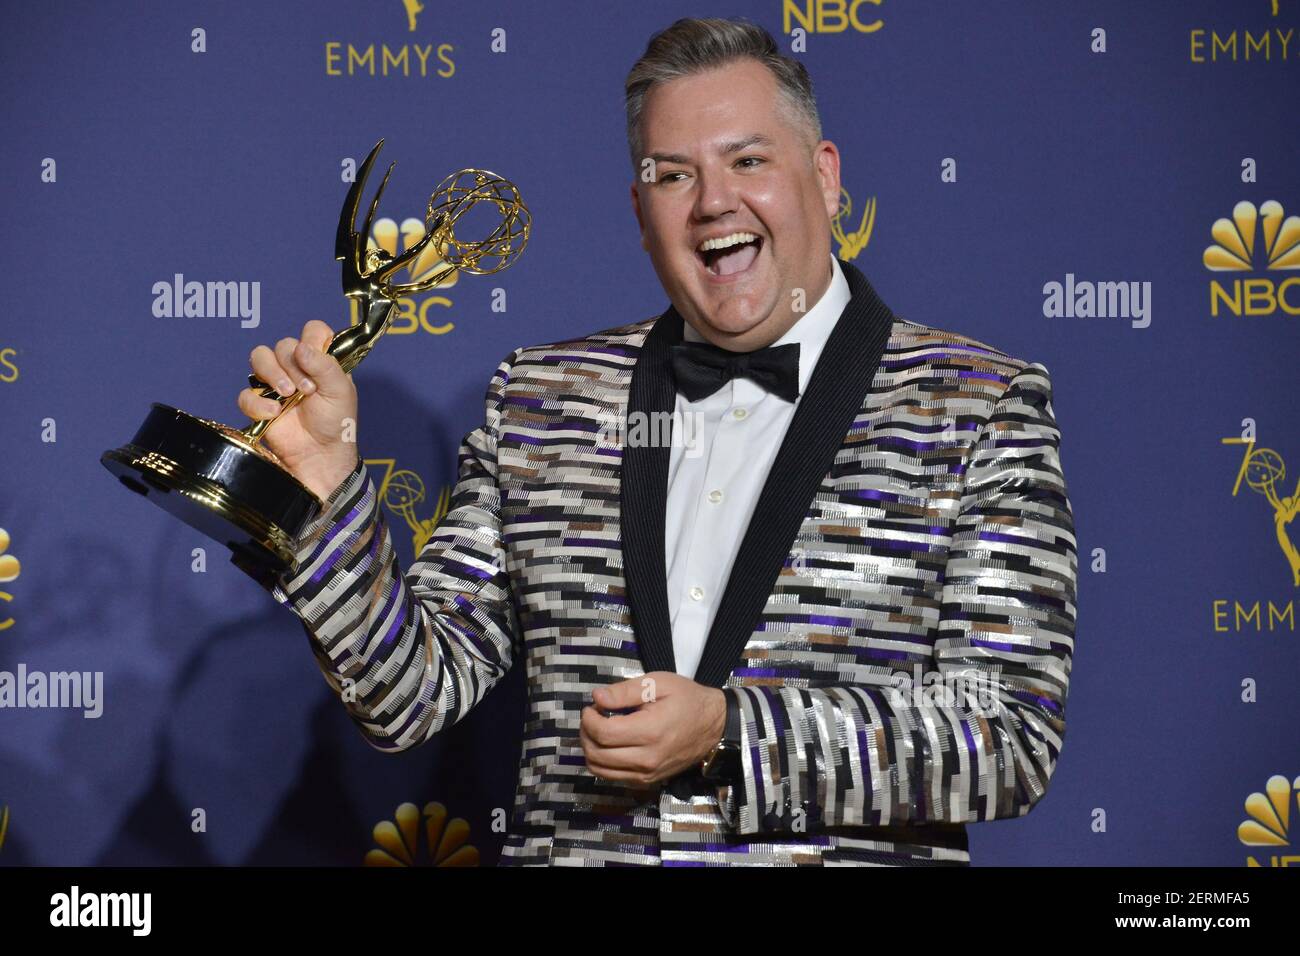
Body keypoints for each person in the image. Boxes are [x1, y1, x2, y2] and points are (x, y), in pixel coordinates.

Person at [239, 16, 1077, 866]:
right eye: (674, 175)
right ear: (641, 215)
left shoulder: (976, 406)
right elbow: (407, 695)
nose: (713, 202)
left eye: (748, 161)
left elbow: (1009, 735)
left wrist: (730, 732)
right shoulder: (541, 400)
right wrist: (326, 496)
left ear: (825, 180)